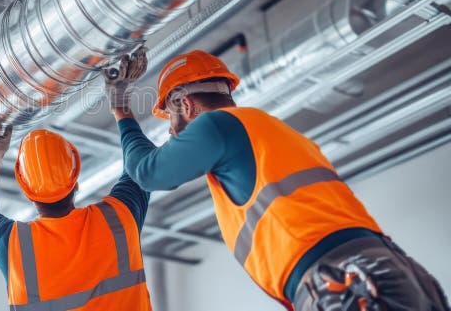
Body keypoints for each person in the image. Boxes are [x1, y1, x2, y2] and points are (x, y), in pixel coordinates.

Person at [104, 47, 449, 311]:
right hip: (387, 270)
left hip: (345, 278)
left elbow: (149, 172)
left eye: (172, 116)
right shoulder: (271, 131)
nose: (171, 130)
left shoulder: (218, 126)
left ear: (187, 104)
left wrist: (121, 108)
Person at [0, 122, 153, 310]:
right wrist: (121, 110)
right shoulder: (118, 217)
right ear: (75, 182)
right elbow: (141, 160)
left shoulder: (15, 245)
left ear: (29, 194)